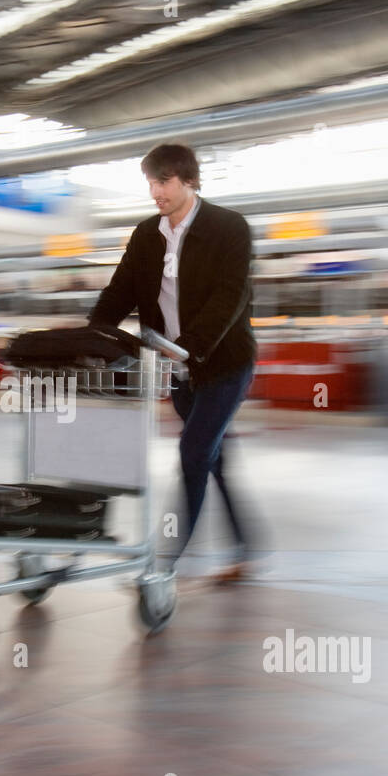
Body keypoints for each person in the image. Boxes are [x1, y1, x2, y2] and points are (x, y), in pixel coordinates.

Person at [87, 143, 259, 582]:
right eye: (150, 182)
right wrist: (93, 332)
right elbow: (120, 289)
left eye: (162, 181)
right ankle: (245, 547)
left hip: (223, 364)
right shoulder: (147, 235)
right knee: (212, 458)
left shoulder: (229, 227)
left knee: (193, 452)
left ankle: (164, 563)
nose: (154, 191)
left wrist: (191, 345)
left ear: (188, 180)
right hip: (180, 372)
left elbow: (231, 295)